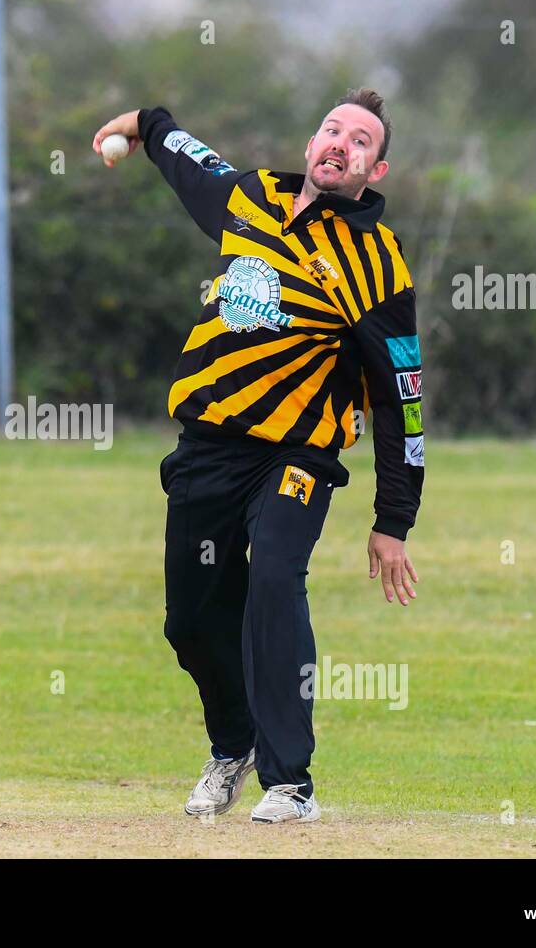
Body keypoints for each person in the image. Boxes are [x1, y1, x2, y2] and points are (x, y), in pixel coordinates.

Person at [93, 89, 424, 823]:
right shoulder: (250, 200)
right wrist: (145, 125)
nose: (343, 143)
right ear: (311, 144)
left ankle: (291, 782)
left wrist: (393, 518)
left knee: (274, 577)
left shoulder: (378, 266)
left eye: (361, 140)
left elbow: (402, 398)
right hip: (208, 449)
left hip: (297, 456)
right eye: (333, 130)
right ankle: (231, 745)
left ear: (378, 169)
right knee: (191, 620)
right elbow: (189, 160)